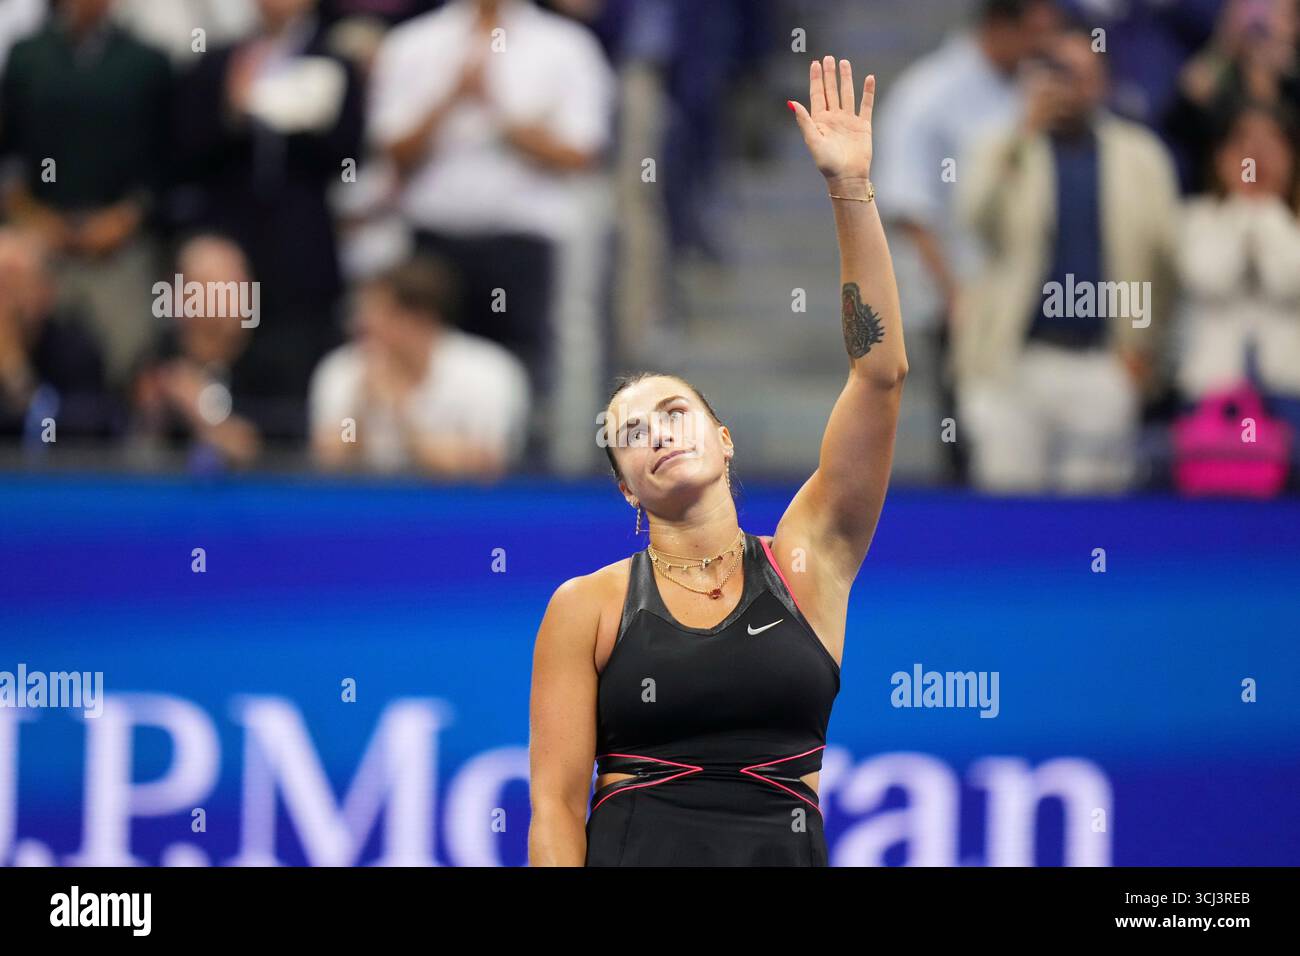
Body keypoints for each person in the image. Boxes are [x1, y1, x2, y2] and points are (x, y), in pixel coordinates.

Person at [528, 56, 908, 866]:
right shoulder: (585, 607)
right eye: (632, 433)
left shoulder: (812, 558)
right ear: (625, 485)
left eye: (676, 412)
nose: (659, 434)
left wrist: (850, 189)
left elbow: (880, 373)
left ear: (723, 436)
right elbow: (557, 809)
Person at [952, 22, 1181, 493]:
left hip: (1103, 362)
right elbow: (975, 219)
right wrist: (1022, 134)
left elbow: (1165, 263)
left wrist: (1145, 354)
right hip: (1016, 360)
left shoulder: (1141, 156)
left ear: (1104, 81)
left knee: (1093, 519)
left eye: (1082, 73)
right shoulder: (1004, 144)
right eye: (1058, 72)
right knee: (1006, 510)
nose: (1069, 85)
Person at [870, 0, 1057, 482]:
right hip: (959, 296)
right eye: (1035, 32)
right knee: (967, 433)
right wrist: (955, 295)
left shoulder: (1031, 88)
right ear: (1000, 25)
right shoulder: (928, 93)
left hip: (1024, 295)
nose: (1045, 45)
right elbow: (908, 205)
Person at [0, 0, 171, 387]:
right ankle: (23, 414)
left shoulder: (146, 63)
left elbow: (164, 167)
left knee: (128, 353)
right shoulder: (28, 56)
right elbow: (9, 156)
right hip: (40, 233)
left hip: (118, 243)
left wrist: (125, 218)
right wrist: (31, 216)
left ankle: (120, 436)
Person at [308, 255, 532, 478]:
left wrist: (400, 414)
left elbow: (482, 466)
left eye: (379, 313)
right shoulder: (342, 369)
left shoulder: (486, 371)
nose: (363, 324)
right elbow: (330, 460)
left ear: (420, 319)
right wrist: (360, 408)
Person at [1174, 102, 1300, 457]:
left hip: (1290, 394)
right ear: (1221, 158)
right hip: (1211, 397)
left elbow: (1288, 280)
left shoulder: (1290, 224)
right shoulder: (1195, 219)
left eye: (1270, 144)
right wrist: (1242, 208)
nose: (1256, 156)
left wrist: (1268, 212)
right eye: (1243, 143)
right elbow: (1208, 277)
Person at [0, 227, 115, 442]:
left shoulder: (77, 352)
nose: (6, 302)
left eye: (15, 284)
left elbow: (79, 435)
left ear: (45, 292)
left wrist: (15, 374)